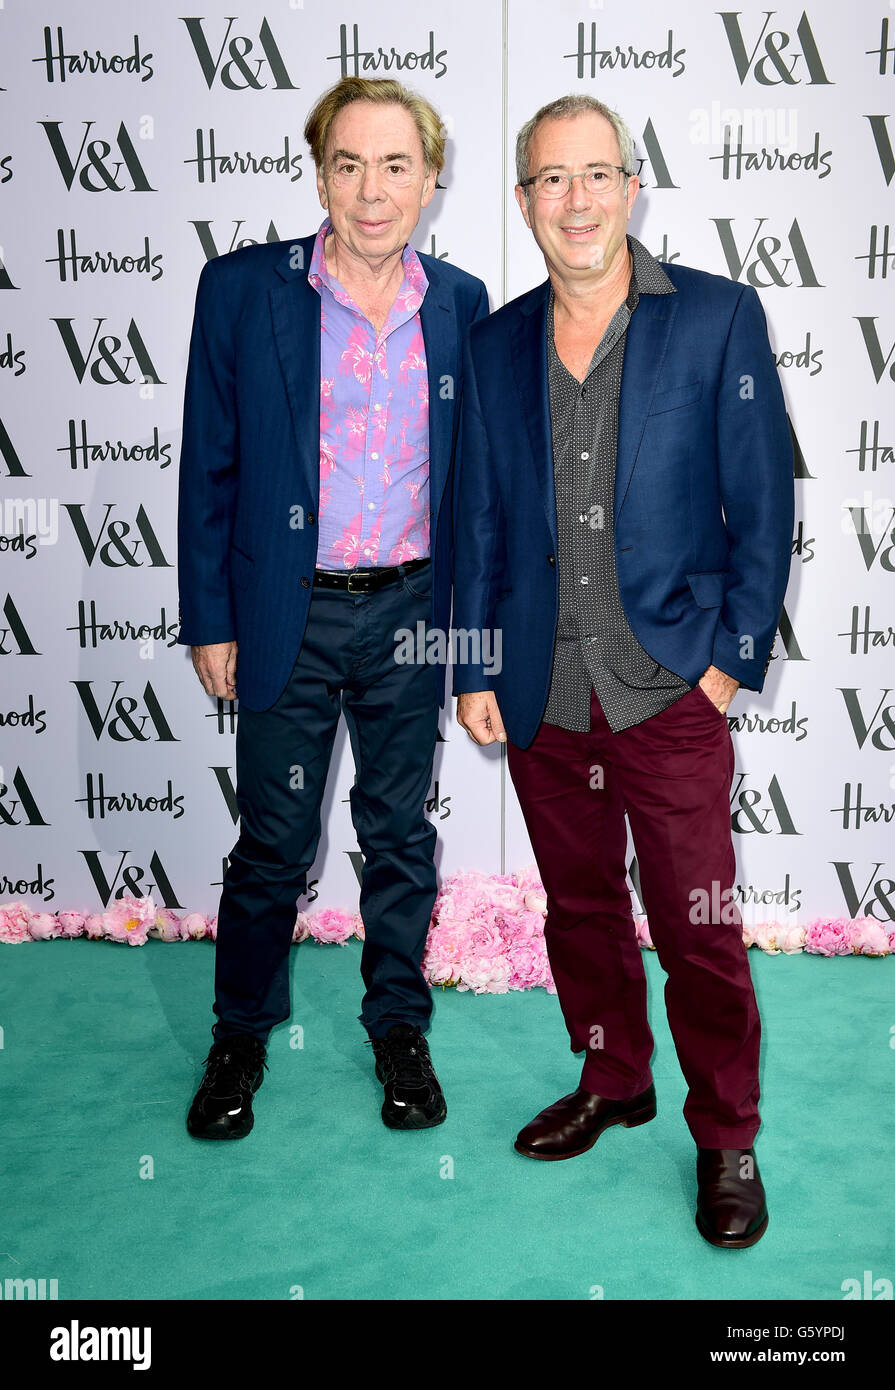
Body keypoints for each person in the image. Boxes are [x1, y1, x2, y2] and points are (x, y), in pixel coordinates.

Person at [452, 94, 793, 1247]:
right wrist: (471, 662)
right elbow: (474, 520)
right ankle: (614, 1079)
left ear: (630, 189)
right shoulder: (492, 343)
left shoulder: (715, 318)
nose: (576, 200)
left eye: (596, 175)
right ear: (523, 201)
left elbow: (761, 500)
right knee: (582, 905)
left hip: (668, 685)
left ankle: (726, 1133)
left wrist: (728, 663)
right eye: (552, 180)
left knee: (698, 923)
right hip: (543, 691)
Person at [177, 76, 489, 1140]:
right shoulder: (241, 289)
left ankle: (398, 1029)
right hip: (284, 610)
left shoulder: (461, 303)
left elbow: (473, 489)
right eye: (348, 163)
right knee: (273, 841)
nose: (370, 189)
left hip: (412, 610)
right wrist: (209, 616)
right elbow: (208, 466)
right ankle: (240, 1036)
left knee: (398, 834)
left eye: (395, 164)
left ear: (430, 180)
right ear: (319, 174)